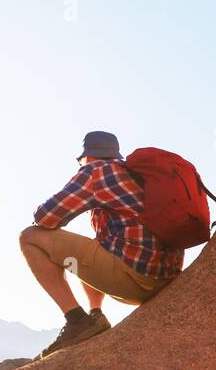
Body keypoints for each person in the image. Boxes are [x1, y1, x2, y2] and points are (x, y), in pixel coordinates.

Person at [20, 131, 183, 357]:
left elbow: (46, 217)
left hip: (137, 280)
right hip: (168, 277)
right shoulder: (138, 174)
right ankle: (95, 314)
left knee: (29, 237)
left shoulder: (96, 172)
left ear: (88, 156)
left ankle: (77, 321)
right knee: (96, 243)